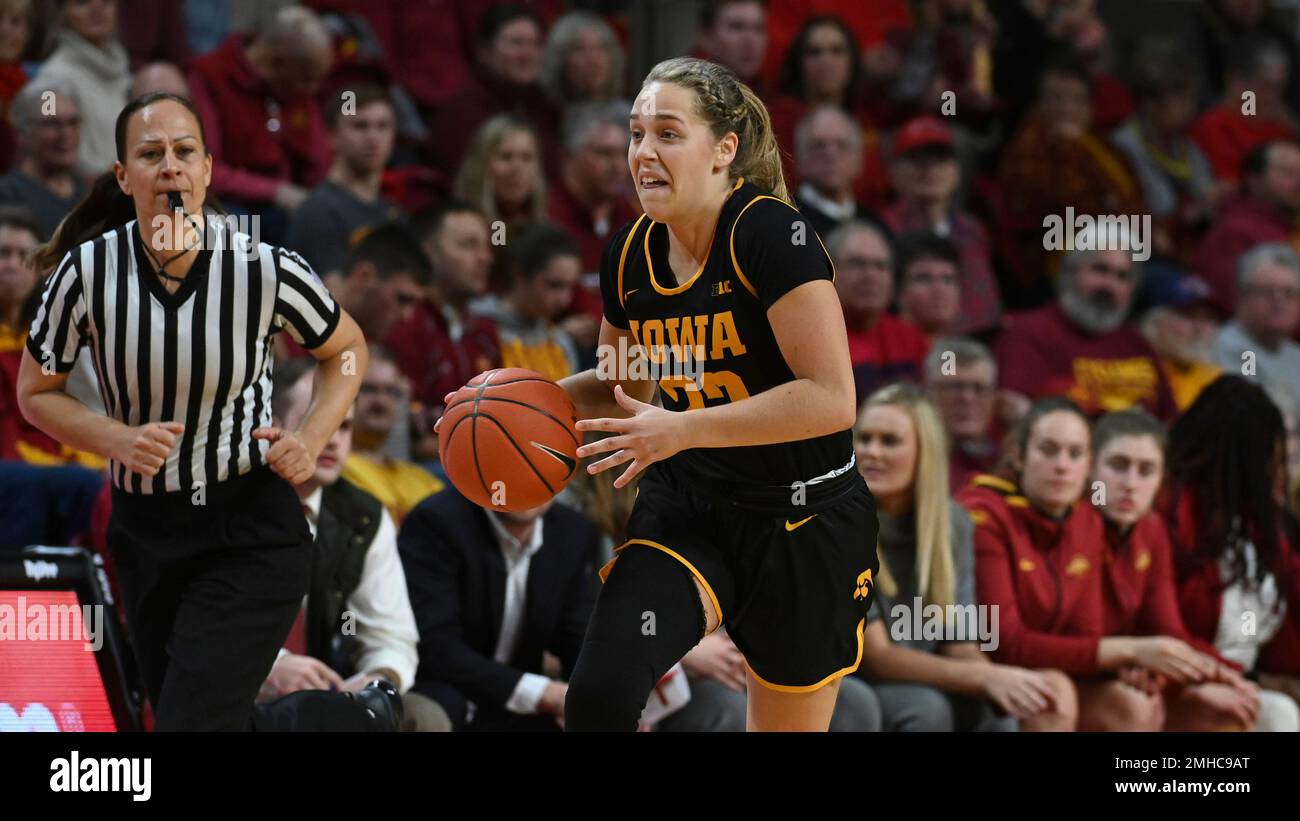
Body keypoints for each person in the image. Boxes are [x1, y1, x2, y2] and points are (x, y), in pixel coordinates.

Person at [525, 56, 879, 731]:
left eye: (667, 133)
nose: (643, 152)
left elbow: (831, 398)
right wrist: (520, 398)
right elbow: (621, 384)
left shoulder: (772, 235)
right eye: (635, 133)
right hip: (691, 509)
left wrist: (683, 427)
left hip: (804, 522)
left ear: (724, 151)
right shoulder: (628, 255)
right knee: (597, 697)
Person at [15, 93, 387, 731]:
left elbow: (347, 349)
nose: (169, 167)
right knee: (203, 722)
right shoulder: (83, 274)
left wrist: (311, 433)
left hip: (249, 525)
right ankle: (354, 721)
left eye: (184, 152)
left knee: (190, 725)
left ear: (209, 170)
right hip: (143, 528)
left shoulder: (262, 266)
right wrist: (118, 439)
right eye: (150, 154)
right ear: (123, 176)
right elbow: (36, 392)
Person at [957, 398, 1231, 731]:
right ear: (1019, 454)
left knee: (1200, 706)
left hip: (1054, 667)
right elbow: (1003, 641)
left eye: (1074, 454)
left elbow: (1092, 632)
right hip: (972, 664)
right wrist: (1127, 654)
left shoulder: (1085, 521)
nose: (1061, 465)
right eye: (1048, 450)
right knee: (1059, 695)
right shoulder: (985, 513)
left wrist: (1211, 673)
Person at [263, 357, 442, 731]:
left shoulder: (363, 515)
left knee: (422, 716)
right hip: (234, 687)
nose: (333, 439)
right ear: (272, 426)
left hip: (325, 694)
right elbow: (185, 625)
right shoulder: (227, 505)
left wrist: (377, 681)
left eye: (343, 426)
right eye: (318, 424)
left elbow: (389, 634)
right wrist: (273, 666)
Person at [852, 383, 1039, 732]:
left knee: (996, 712)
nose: (871, 452)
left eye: (889, 441)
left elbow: (960, 639)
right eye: (864, 439)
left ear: (926, 452)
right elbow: (876, 657)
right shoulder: (842, 524)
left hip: (921, 672)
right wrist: (983, 677)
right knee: (926, 708)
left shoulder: (954, 523)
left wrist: (996, 680)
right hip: (856, 678)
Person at [1089, 409, 1269, 731]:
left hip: (1124, 667)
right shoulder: (1072, 522)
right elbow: (1069, 632)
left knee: (1233, 709)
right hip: (1076, 670)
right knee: (1134, 707)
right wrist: (1133, 661)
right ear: (1090, 467)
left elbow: (1168, 630)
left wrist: (1223, 676)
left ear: (1161, 480)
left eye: (1146, 471)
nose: (1130, 484)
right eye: (1118, 466)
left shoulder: (1151, 528)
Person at [398, 486, 600, 732]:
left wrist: (608, 692)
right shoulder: (437, 521)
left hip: (521, 698)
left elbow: (579, 636)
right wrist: (541, 693)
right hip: (444, 686)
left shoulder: (573, 531)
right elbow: (435, 646)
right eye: (514, 461)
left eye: (541, 463)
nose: (528, 478)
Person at [1162, 376, 1300, 724]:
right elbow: (1159, 623)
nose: (1281, 465)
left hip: (1244, 679)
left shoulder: (1267, 523)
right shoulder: (1170, 514)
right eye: (1275, 450)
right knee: (1278, 715)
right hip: (1180, 678)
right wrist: (1228, 675)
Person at [993, 246, 1178, 424]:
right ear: (1069, 273)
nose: (1109, 285)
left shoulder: (1136, 343)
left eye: (1123, 276)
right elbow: (1010, 411)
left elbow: (1169, 419)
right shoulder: (1027, 333)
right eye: (1100, 270)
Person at [186, 6, 333, 217]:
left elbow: (320, 162)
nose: (312, 90)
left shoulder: (296, 91)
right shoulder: (209, 76)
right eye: (307, 78)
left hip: (291, 206)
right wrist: (276, 192)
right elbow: (204, 170)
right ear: (277, 61)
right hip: (230, 206)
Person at [881, 115, 1000, 334]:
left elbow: (986, 309)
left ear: (957, 172)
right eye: (917, 160)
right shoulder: (880, 231)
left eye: (940, 160)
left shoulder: (973, 231)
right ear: (894, 172)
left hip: (971, 346)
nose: (929, 170)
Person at [284, 84, 403, 281]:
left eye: (383, 126)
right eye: (360, 126)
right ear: (332, 136)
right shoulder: (318, 211)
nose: (373, 137)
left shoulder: (394, 213)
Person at [1213, 243, 1300, 479]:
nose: (1279, 301)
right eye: (1267, 291)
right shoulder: (1226, 349)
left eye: (1290, 293)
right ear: (1241, 295)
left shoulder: (1295, 355)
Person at [827, 219, 930, 406]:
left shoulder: (910, 337)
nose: (870, 275)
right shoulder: (813, 336)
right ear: (828, 269)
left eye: (881, 266)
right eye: (857, 264)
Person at [340, 345, 444, 525]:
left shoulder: (424, 481)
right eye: (368, 389)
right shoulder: (333, 469)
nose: (381, 401)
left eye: (391, 391)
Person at [1196, 140, 1300, 316]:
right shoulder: (1235, 231)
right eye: (1288, 173)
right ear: (1254, 180)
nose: (1299, 182)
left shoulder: (1288, 226)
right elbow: (1247, 309)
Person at [31, 0, 130, 178]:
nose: (97, 9)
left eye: (106, 2)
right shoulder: (52, 78)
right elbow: (46, 145)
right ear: (63, 14)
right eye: (82, 2)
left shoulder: (123, 72)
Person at [474, 222, 581, 382]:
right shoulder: (476, 331)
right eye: (554, 285)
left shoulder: (559, 341)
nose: (565, 300)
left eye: (570, 287)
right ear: (519, 275)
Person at [0, 78, 88, 240]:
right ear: (21, 133)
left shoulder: (88, 194)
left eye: (73, 122)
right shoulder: (7, 197)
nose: (65, 134)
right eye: (52, 124)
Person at [922, 336, 1000, 492]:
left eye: (979, 388)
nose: (967, 398)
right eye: (955, 387)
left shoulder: (1006, 463)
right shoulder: (912, 461)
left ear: (994, 397)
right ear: (928, 393)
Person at [453, 114, 548, 229]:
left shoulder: (547, 221)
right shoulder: (466, 225)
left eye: (527, 158)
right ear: (481, 165)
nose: (517, 168)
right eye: (505, 157)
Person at [894, 232, 962, 342]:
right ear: (897, 292)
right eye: (924, 279)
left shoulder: (967, 354)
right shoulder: (877, 351)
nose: (939, 289)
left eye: (948, 279)